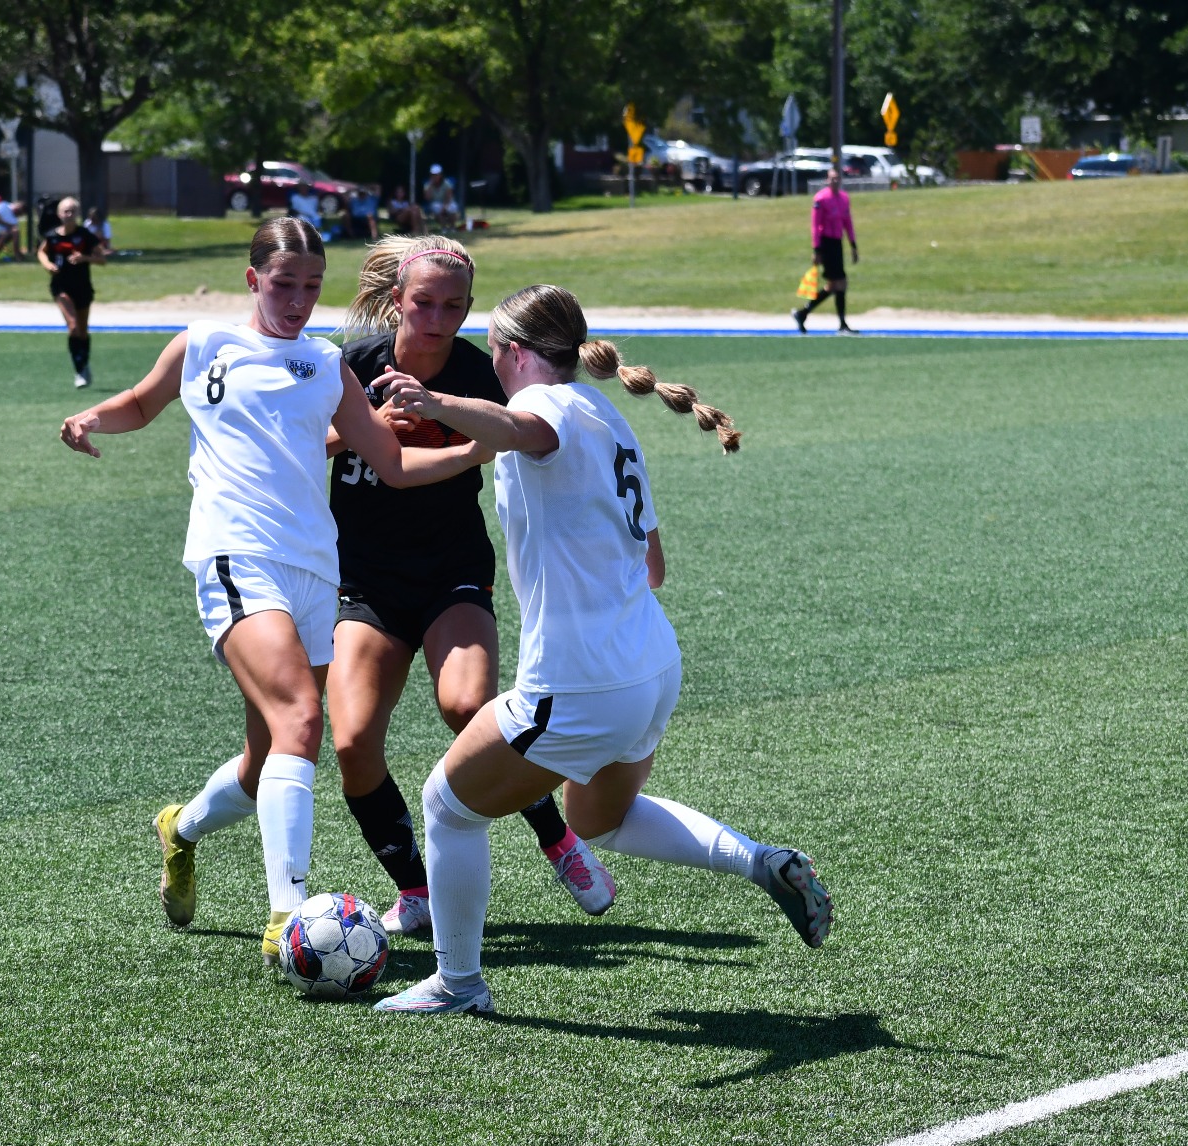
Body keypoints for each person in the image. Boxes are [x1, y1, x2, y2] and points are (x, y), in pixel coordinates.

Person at [366, 285, 830, 1016]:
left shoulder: (546, 408)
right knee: (597, 818)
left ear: (515, 354)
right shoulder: (608, 418)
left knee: (448, 805)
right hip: (650, 666)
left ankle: (458, 983)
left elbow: (515, 426)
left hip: (579, 681)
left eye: (492, 353)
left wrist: (434, 402)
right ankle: (761, 861)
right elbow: (655, 567)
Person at [58, 218, 489, 968]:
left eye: (311, 287)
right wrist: (95, 417)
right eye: (283, 284)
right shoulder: (205, 345)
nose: (296, 300)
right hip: (234, 554)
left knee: (268, 758)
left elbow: (391, 464)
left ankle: (181, 829)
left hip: (315, 570)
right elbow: (140, 401)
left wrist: (483, 444)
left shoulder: (328, 365)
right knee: (302, 717)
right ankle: (288, 918)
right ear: (252, 279)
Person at [331, 235, 604, 936]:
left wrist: (449, 426)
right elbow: (285, 440)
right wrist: (360, 432)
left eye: (454, 306)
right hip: (364, 578)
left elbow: (536, 431)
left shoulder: (482, 375)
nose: (437, 316)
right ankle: (414, 889)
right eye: (423, 302)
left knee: (468, 706)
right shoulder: (349, 367)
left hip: (450, 568)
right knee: (354, 741)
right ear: (397, 299)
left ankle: (557, 838)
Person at [39, 196, 104, 388]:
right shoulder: (52, 236)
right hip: (61, 286)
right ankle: (79, 371)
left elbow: (102, 258)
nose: (68, 214)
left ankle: (84, 365)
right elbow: (41, 251)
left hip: (82, 286)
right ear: (59, 214)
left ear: (77, 214)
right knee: (73, 326)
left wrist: (84, 258)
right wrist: (47, 264)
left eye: (72, 211)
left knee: (82, 331)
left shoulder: (85, 235)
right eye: (65, 211)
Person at [794, 167, 858, 335]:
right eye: (832, 179)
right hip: (826, 243)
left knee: (833, 286)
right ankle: (842, 323)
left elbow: (847, 223)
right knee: (840, 283)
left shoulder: (844, 199)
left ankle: (803, 313)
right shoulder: (821, 199)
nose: (835, 181)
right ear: (827, 180)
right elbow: (815, 226)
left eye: (837, 178)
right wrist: (816, 249)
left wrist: (853, 245)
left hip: (837, 243)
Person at [423, 165, 460, 229]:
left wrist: (444, 207)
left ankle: (452, 227)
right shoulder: (428, 185)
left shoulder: (447, 184)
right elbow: (427, 198)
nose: (435, 177)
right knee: (436, 208)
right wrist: (430, 186)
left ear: (440, 175)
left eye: (437, 175)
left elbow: (449, 197)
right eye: (433, 175)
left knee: (452, 208)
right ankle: (444, 227)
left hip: (447, 202)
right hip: (435, 203)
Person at [0, 195, 23, 262]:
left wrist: (11, 228)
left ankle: (17, 255)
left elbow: (14, 228)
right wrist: (8, 225)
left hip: (4, 233)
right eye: (19, 209)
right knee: (5, 233)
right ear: (16, 205)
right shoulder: (3, 205)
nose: (18, 211)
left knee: (15, 232)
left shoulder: (14, 219)